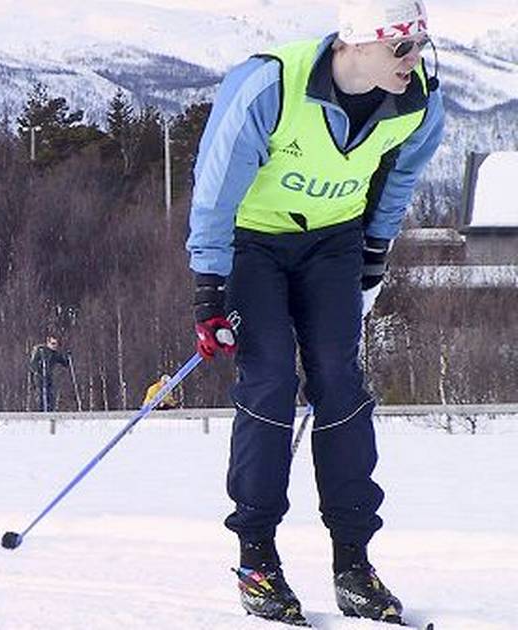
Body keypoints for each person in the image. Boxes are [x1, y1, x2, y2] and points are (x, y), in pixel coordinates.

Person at [185, 0, 444, 625]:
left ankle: (353, 562)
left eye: (420, 45)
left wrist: (374, 255)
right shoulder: (269, 87)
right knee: (271, 378)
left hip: (333, 242)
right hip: (253, 243)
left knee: (339, 380)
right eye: (400, 47)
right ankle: (257, 556)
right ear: (355, 43)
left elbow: (397, 182)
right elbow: (215, 188)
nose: (413, 59)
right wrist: (208, 289)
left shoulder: (418, 102)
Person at [28, 334, 70, 412]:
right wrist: (38, 370)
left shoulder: (55, 354)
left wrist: (67, 358)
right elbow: (33, 363)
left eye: (56, 344)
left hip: (48, 376)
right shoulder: (40, 350)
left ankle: (49, 410)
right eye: (53, 344)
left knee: (50, 394)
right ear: (48, 343)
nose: (55, 346)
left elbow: (64, 362)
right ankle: (41, 410)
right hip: (39, 376)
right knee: (41, 393)